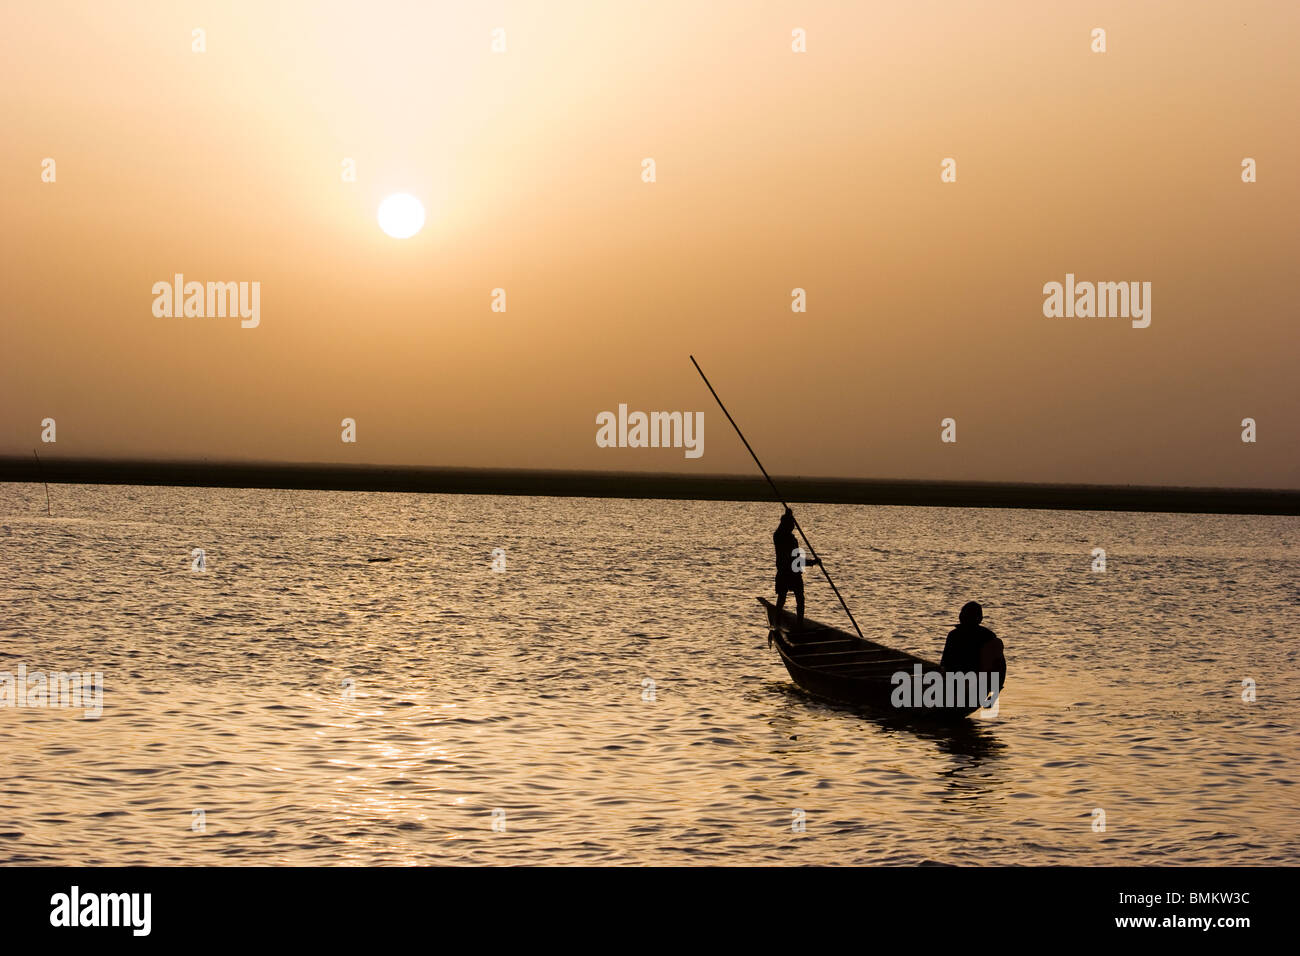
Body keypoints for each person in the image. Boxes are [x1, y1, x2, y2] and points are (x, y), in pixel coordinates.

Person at [940, 601, 1006, 703]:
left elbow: (944, 664)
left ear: (961, 617)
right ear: (980, 619)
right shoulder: (988, 636)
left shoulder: (987, 638)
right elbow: (1000, 668)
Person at [773, 507, 819, 626]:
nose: (793, 526)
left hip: (794, 573)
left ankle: (799, 624)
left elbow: (798, 560)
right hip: (784, 572)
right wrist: (787, 515)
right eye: (791, 524)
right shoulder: (779, 537)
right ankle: (776, 623)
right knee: (782, 598)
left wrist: (812, 562)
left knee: (800, 599)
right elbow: (779, 531)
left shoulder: (793, 539)